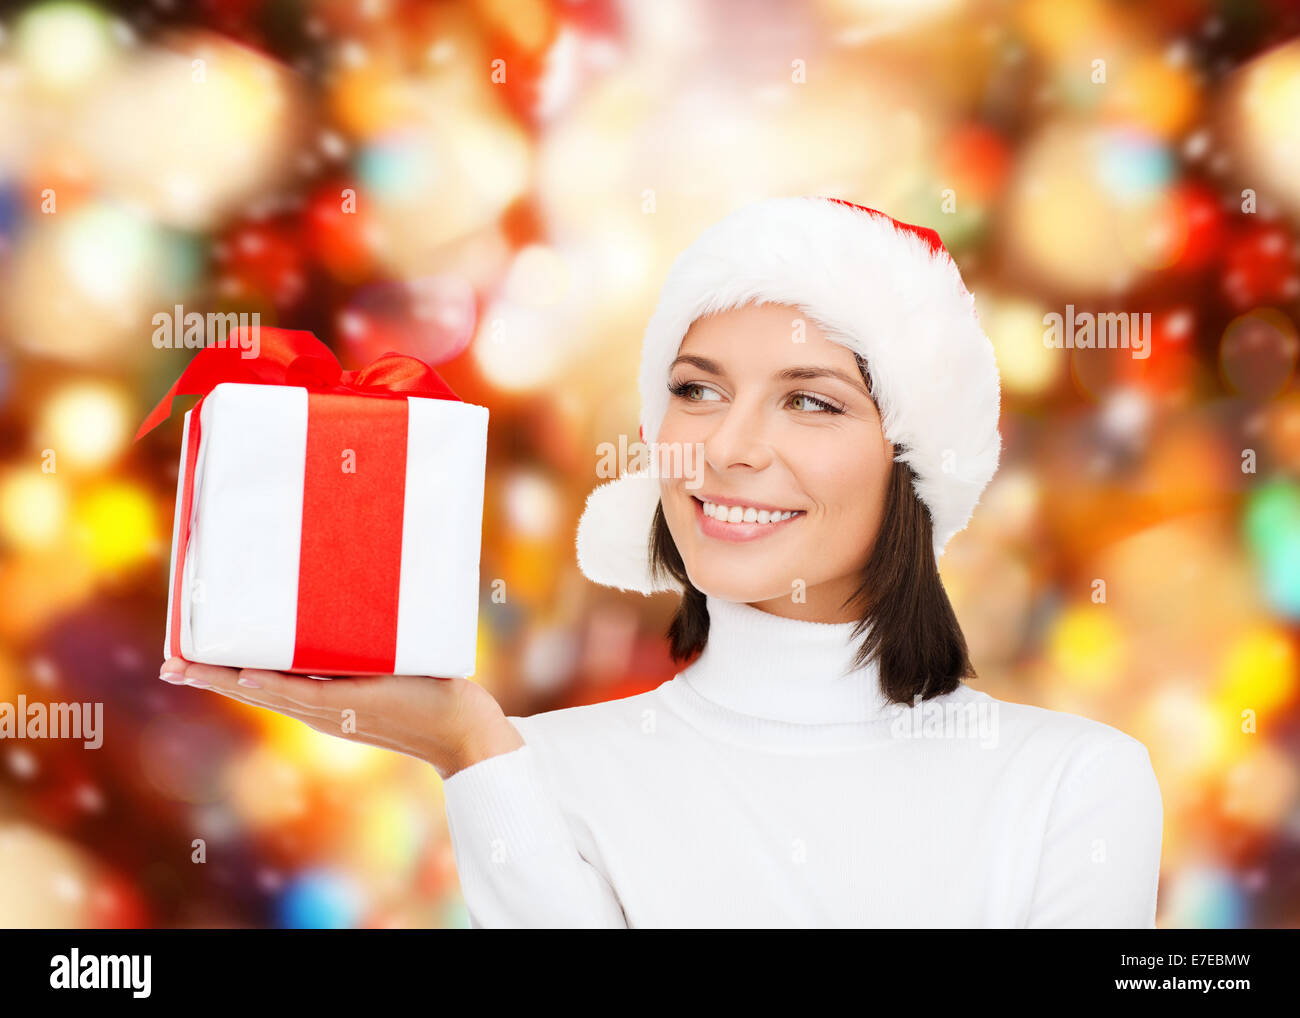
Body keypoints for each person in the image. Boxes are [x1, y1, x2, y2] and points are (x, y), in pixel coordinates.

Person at [160, 196, 1163, 928]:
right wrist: (472, 753)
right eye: (695, 389)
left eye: (809, 400)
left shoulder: (1070, 784)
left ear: (911, 466)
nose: (727, 448)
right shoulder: (531, 773)